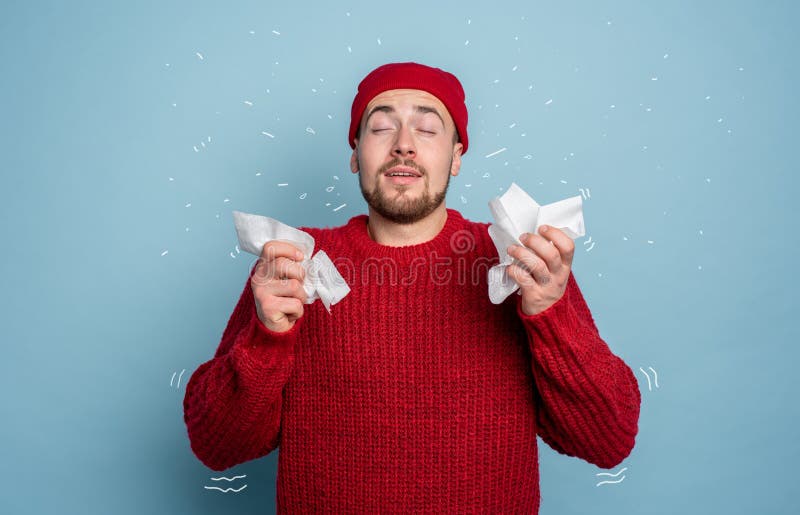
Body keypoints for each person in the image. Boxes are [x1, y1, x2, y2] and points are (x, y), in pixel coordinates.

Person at [183, 62, 641, 513]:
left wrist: (551, 315)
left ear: (457, 155)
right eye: (381, 128)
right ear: (355, 152)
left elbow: (607, 440)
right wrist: (267, 338)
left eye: (426, 129)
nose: (403, 146)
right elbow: (217, 446)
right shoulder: (294, 266)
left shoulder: (521, 263)